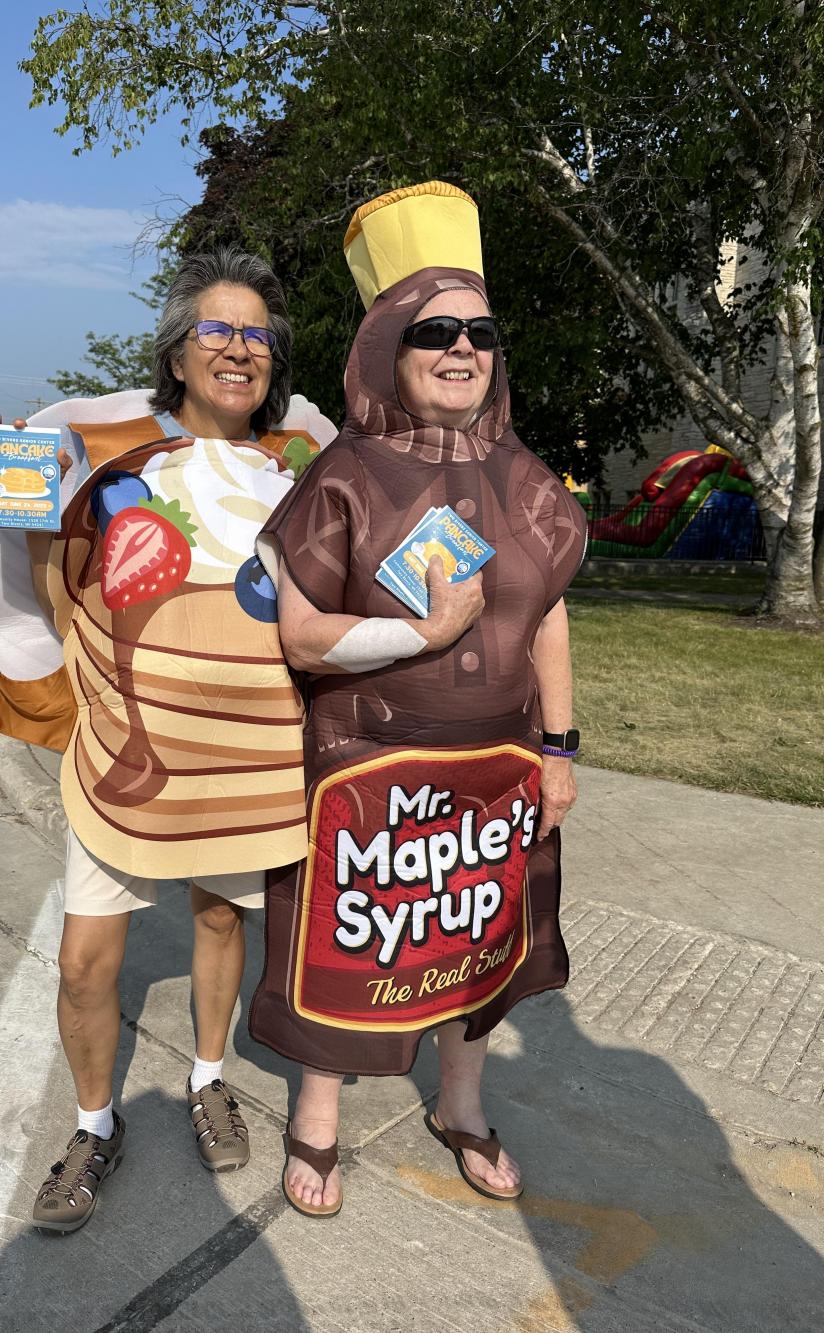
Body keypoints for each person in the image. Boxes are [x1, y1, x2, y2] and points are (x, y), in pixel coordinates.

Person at [0, 247, 335, 1232]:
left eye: (258, 333)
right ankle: (93, 1124)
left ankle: (209, 1079)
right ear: (176, 353)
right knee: (86, 961)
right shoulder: (106, 445)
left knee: (220, 923)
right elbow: (59, 590)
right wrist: (18, 502)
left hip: (250, 760)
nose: (240, 348)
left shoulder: (306, 454)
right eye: (218, 328)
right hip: (128, 762)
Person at [248, 183, 587, 1217]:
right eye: (435, 330)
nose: (461, 349)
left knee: (481, 942)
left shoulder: (525, 476)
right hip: (364, 768)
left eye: (479, 333)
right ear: (387, 348)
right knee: (345, 945)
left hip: (498, 768)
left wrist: (561, 745)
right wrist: (425, 634)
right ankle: (318, 1119)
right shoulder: (342, 476)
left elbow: (549, 620)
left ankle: (461, 1106)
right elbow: (301, 633)